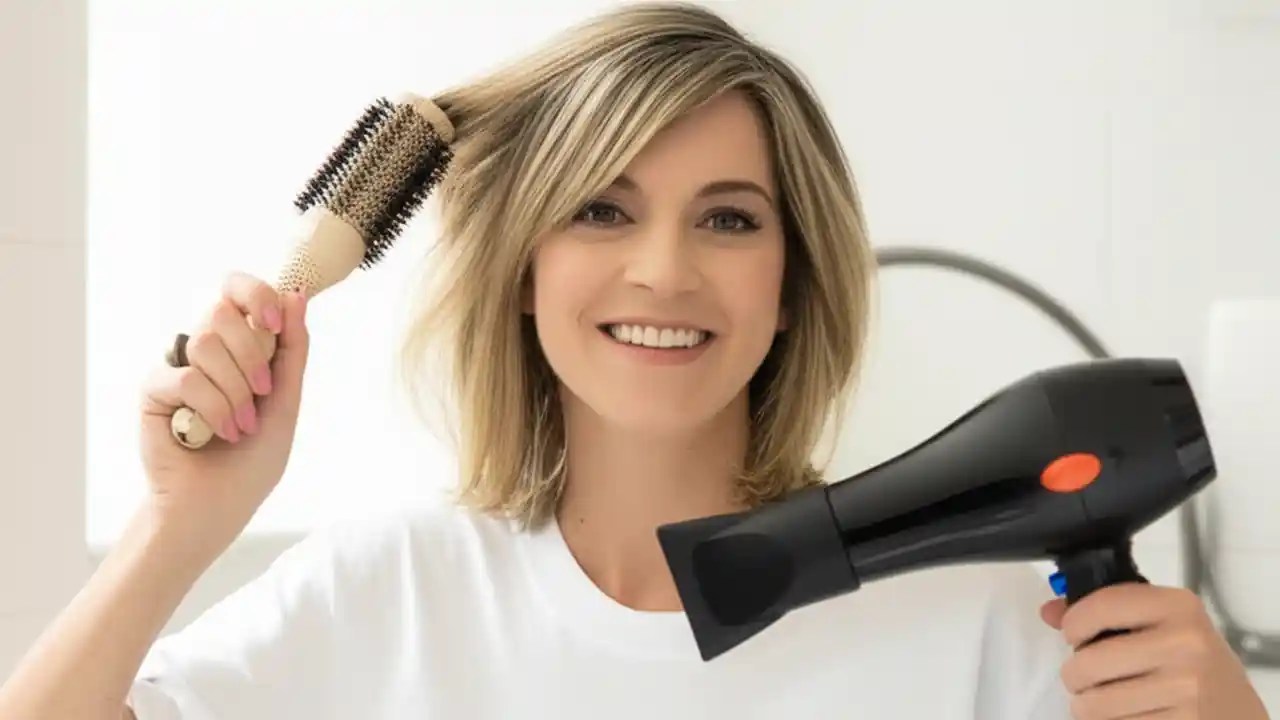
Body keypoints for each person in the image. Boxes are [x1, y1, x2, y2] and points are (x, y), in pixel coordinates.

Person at [0, 3, 1268, 719]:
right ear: (523, 273)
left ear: (791, 285)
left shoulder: (983, 620)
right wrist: (183, 528)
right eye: (600, 210)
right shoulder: (385, 600)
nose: (663, 270)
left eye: (727, 218)